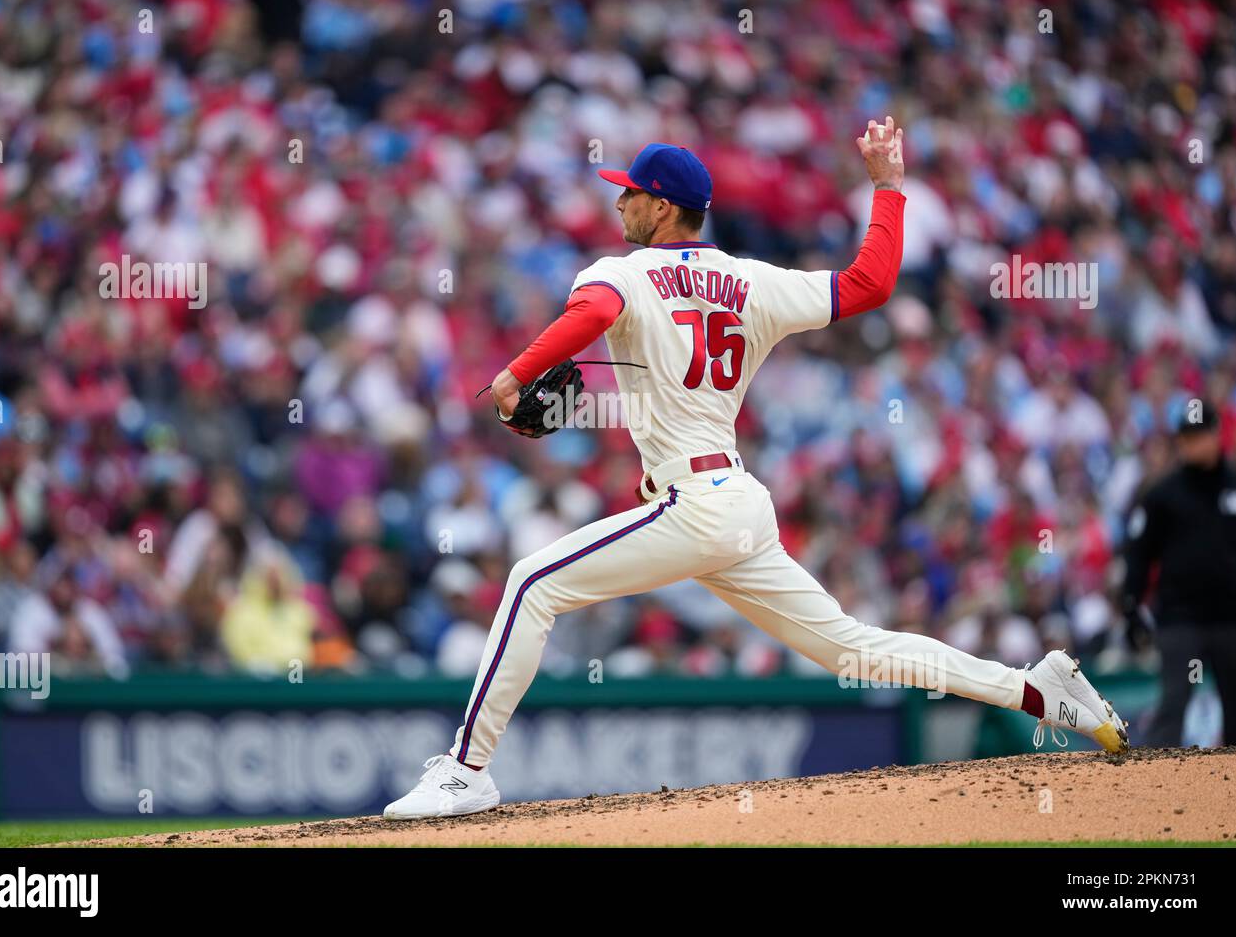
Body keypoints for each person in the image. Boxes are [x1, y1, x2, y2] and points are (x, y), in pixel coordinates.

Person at [384, 120, 1129, 820]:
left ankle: (466, 770)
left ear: (665, 207)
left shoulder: (624, 273)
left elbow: (590, 316)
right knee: (852, 648)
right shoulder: (756, 281)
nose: (619, 200)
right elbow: (870, 283)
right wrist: (889, 184)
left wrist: (516, 373)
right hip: (735, 504)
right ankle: (1036, 689)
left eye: (631, 192)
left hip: (693, 503)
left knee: (530, 584)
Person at [1120, 401, 1236, 746]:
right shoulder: (1163, 495)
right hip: (1182, 619)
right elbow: (1139, 553)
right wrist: (1131, 608)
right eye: (1187, 438)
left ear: (1217, 434)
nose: (1193, 445)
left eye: (1200, 436)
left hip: (1235, 619)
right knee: (1173, 704)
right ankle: (1157, 790)